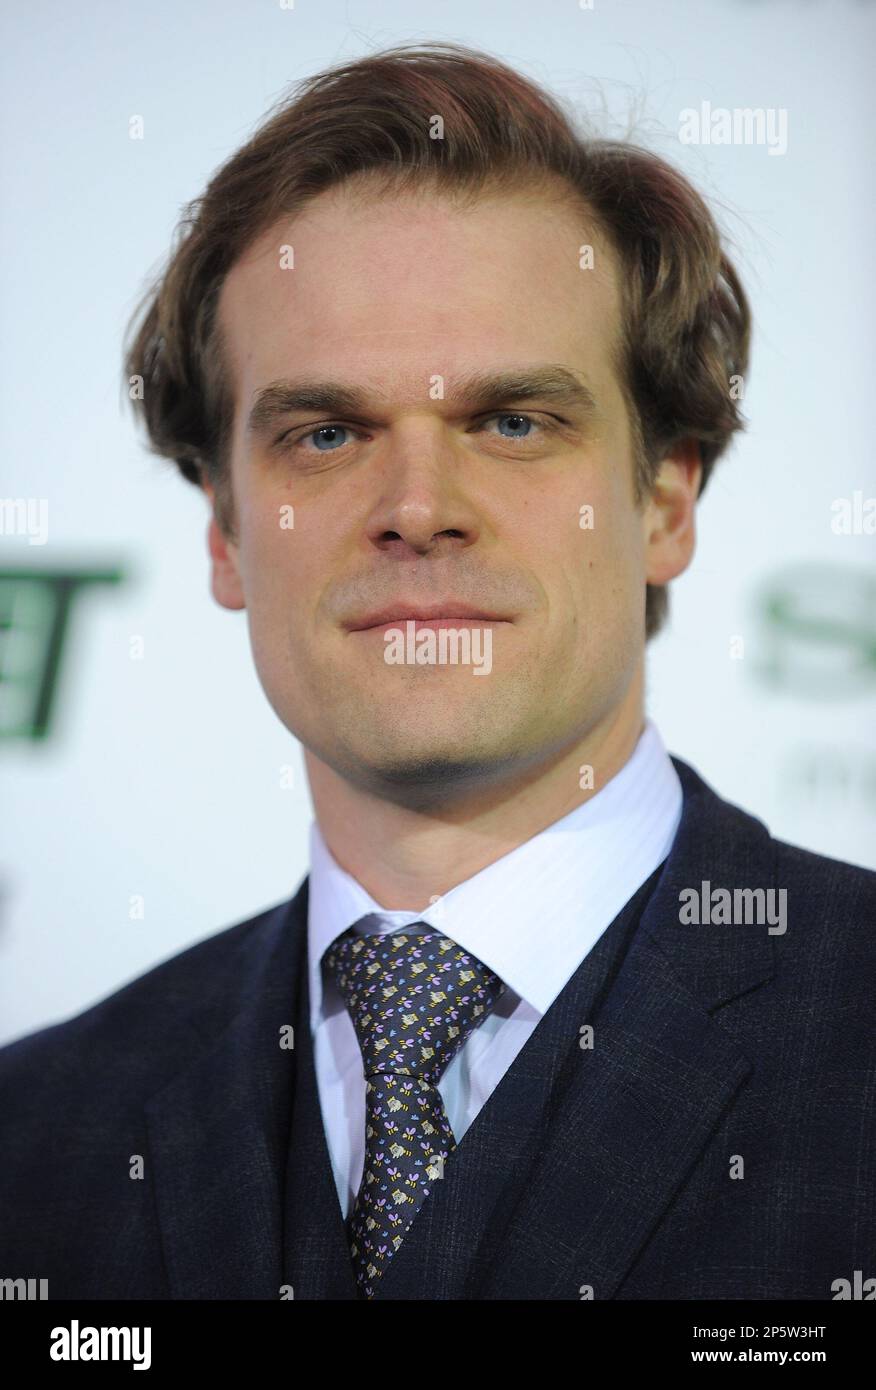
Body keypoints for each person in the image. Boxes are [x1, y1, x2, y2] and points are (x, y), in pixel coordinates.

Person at [1, 42, 873, 1302]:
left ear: (669, 497)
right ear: (225, 531)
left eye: (513, 422)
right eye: (328, 432)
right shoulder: (34, 1139)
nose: (416, 507)